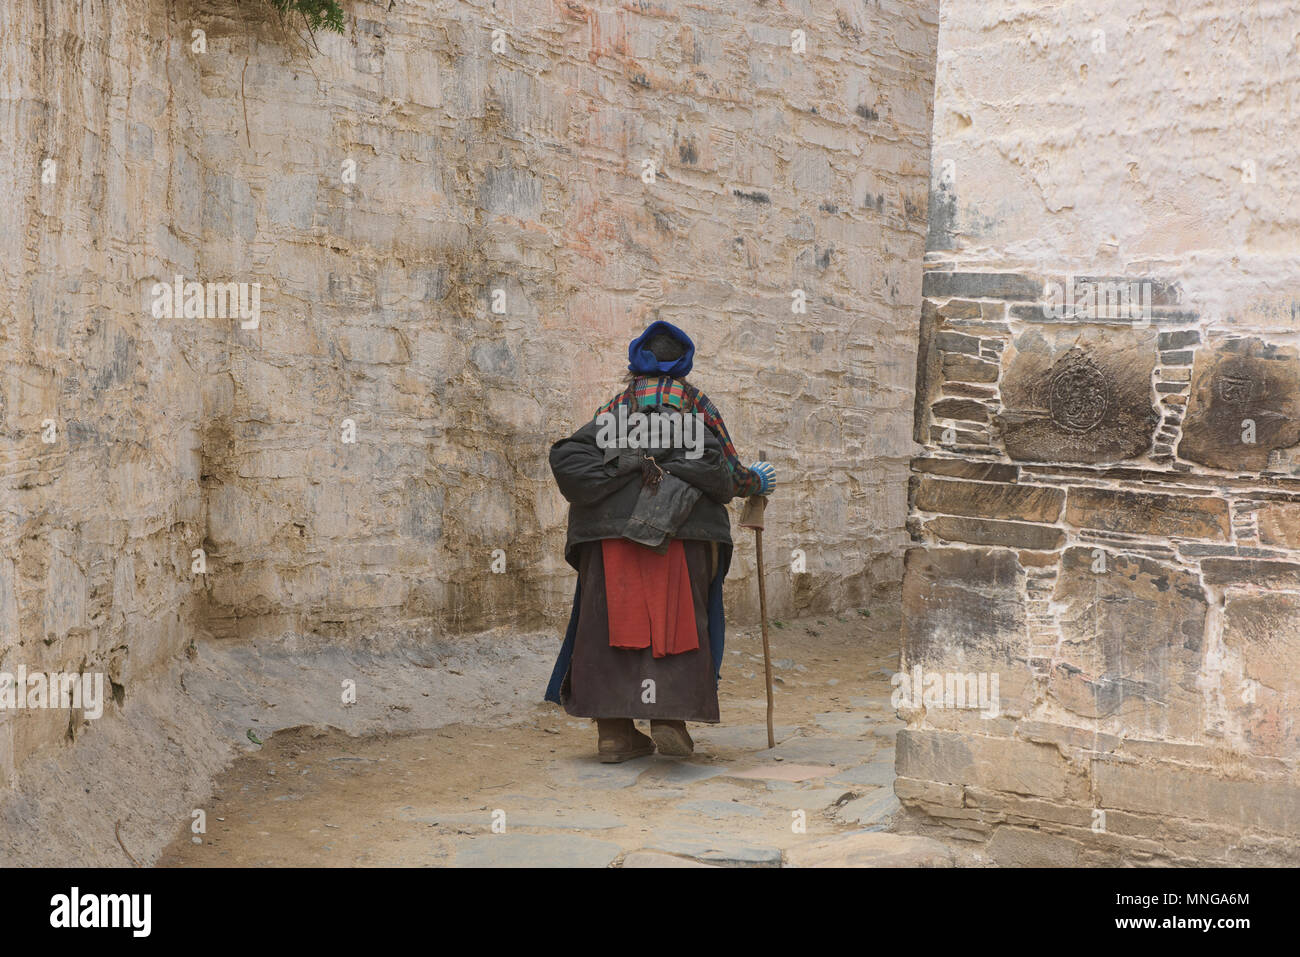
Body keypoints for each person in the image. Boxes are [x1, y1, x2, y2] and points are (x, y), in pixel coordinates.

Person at [544, 321, 776, 762]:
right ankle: (668, 718)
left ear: (636, 365)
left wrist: (632, 463)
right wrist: (756, 482)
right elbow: (728, 471)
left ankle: (613, 733)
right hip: (683, 534)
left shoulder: (615, 408)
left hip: (606, 534)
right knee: (676, 621)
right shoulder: (695, 404)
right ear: (683, 366)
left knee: (604, 626)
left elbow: (583, 460)